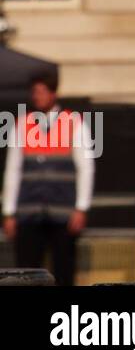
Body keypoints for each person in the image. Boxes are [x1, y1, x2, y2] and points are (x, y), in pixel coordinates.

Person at [2, 73, 95, 286]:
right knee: (26, 274)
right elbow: (13, 170)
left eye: (42, 91)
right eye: (35, 92)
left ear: (53, 93)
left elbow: (86, 168)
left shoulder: (74, 122)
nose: (37, 96)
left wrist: (81, 208)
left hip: (63, 213)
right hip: (29, 212)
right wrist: (9, 212)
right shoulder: (22, 124)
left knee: (64, 272)